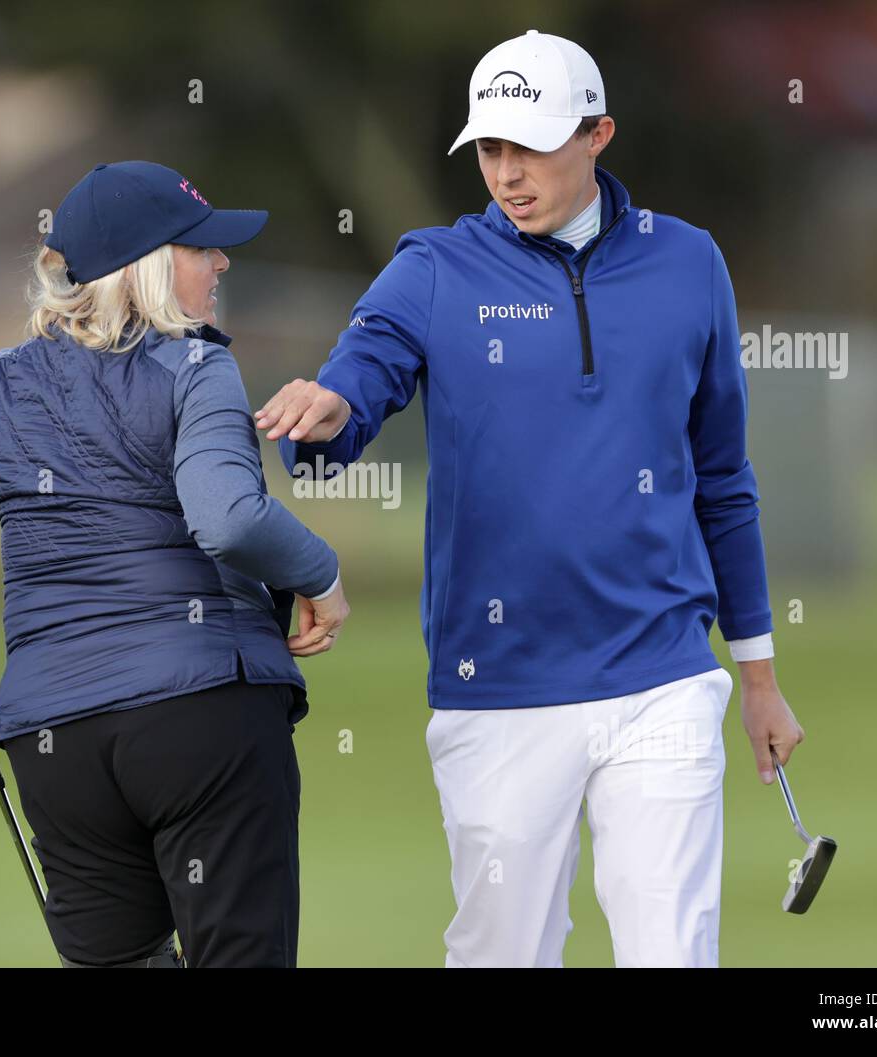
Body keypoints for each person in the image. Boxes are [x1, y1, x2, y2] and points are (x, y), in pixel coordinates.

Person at [256, 31, 804, 968]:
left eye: (531, 147)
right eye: (490, 150)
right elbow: (367, 367)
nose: (507, 174)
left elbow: (724, 477)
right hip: (497, 685)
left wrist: (756, 675)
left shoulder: (689, 263)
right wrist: (331, 403)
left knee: (672, 949)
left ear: (598, 135)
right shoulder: (433, 268)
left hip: (663, 674)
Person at [0, 161, 350, 968]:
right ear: (152, 266)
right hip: (204, 714)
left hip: (55, 742)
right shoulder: (197, 367)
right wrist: (321, 573)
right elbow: (229, 518)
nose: (223, 263)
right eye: (202, 247)